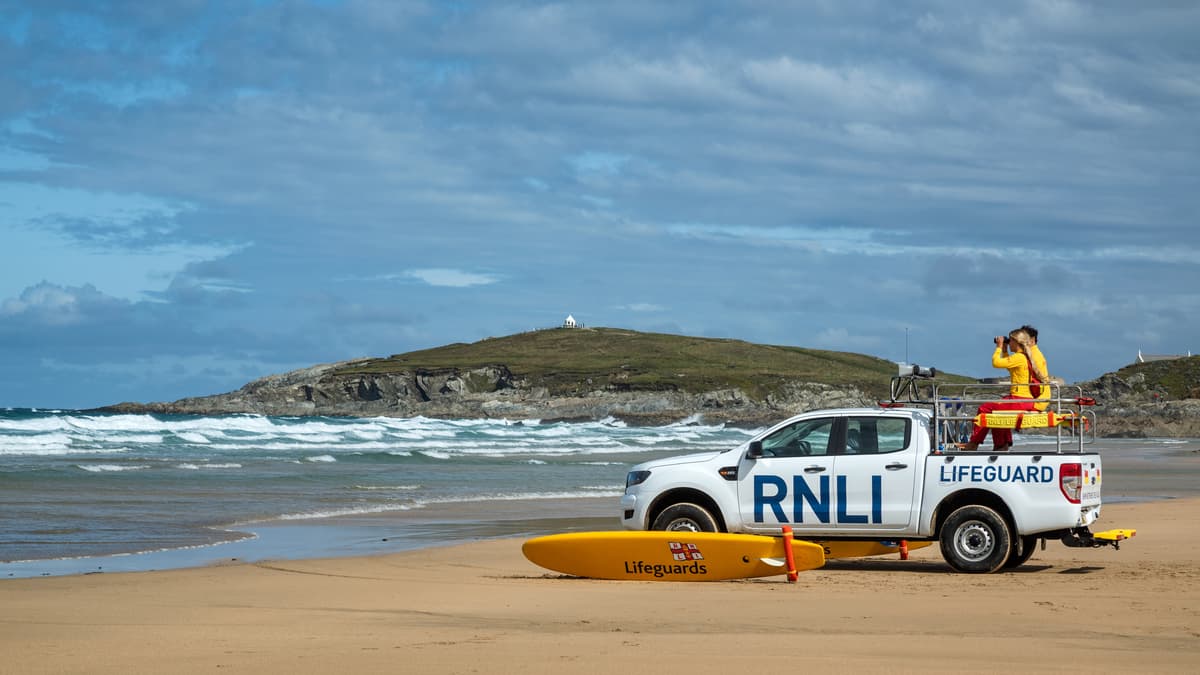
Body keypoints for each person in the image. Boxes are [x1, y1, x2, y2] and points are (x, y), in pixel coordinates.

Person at [961, 329, 1038, 451]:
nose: (1009, 342)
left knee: (984, 409)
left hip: (1019, 400)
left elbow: (996, 363)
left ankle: (974, 443)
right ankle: (1002, 444)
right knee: (997, 412)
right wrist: (1005, 349)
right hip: (1023, 399)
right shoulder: (1023, 357)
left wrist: (999, 347)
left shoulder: (1019, 357)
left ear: (1016, 342)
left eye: (1010, 340)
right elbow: (1009, 367)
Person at [1021, 324, 1052, 412]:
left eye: (1023, 338)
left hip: (1037, 401)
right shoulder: (1033, 354)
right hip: (1039, 398)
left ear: (1032, 340)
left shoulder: (1033, 356)